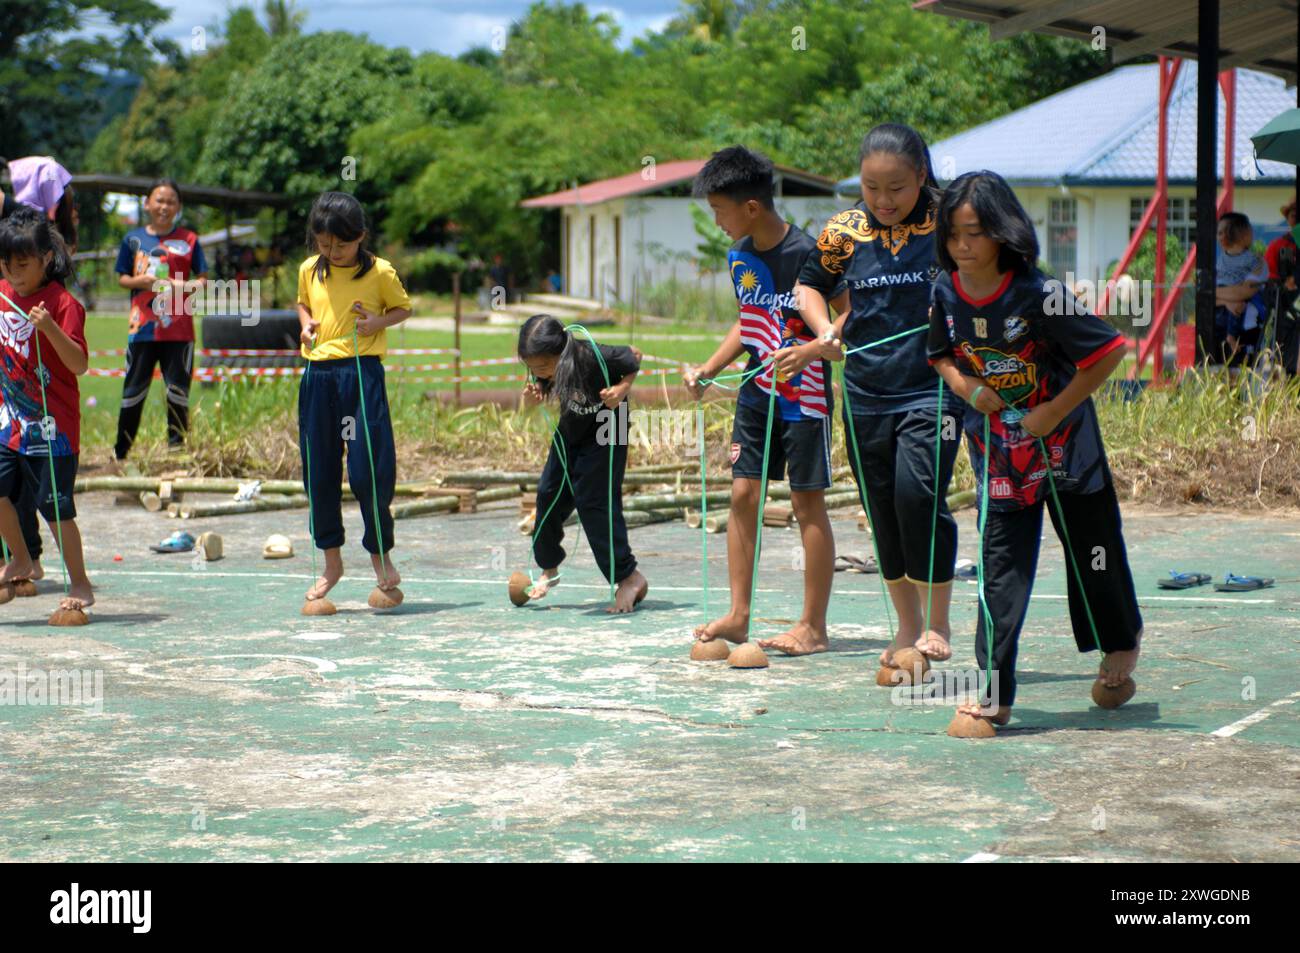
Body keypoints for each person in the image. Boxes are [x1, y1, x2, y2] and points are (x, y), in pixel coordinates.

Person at [927, 170, 1142, 732]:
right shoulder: (945, 291)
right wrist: (968, 388)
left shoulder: (1040, 294)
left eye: (973, 233)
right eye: (952, 235)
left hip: (1067, 448)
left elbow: (1108, 353)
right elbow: (943, 356)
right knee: (999, 570)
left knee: (1093, 555)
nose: (962, 247)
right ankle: (995, 691)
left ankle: (1120, 644)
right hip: (1000, 454)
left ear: (1003, 232)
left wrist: (1053, 411)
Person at [795, 123, 962, 666]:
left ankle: (938, 621)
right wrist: (824, 332)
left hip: (934, 389)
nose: (883, 200)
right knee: (882, 508)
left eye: (896, 187)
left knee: (918, 494)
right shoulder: (845, 230)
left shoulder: (950, 220)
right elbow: (808, 287)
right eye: (871, 188)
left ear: (921, 176)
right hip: (866, 390)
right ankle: (906, 624)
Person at [685, 145, 843, 655]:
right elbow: (748, 319)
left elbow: (846, 314)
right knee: (742, 495)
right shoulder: (739, 256)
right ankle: (738, 615)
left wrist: (814, 349)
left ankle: (813, 627)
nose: (717, 223)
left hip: (807, 396)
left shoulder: (810, 254)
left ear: (751, 207)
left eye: (719, 212)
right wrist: (710, 368)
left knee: (805, 501)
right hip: (756, 392)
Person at [298, 192, 409, 606]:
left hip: (362, 375)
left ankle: (380, 557)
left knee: (369, 471)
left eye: (341, 245)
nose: (332, 252)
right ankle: (331, 562)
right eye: (324, 244)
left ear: (360, 236)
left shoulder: (381, 272)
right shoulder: (310, 269)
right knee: (319, 473)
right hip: (317, 378)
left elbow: (402, 309)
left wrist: (379, 322)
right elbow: (303, 305)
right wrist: (306, 325)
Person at [518, 314, 648, 613]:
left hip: (608, 426)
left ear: (561, 353)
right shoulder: (546, 369)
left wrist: (623, 388)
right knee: (548, 493)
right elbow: (538, 388)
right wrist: (537, 390)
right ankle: (549, 567)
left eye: (541, 367)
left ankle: (629, 577)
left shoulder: (592, 355)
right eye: (532, 368)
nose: (538, 373)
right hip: (573, 428)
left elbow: (635, 356)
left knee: (594, 501)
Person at [0, 207, 94, 613]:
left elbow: (79, 364)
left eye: (23, 265)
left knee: (55, 509)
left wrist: (50, 329)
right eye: (6, 265)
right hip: (8, 422)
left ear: (46, 260)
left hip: (51, 428)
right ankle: (19, 557)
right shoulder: (2, 295)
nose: (14, 274)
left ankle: (81, 583)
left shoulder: (62, 304)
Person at [113, 178, 207, 462]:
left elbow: (203, 280)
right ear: (147, 204)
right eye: (159, 200)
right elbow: (122, 279)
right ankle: (121, 454)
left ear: (178, 206)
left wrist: (184, 287)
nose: (164, 206)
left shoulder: (190, 239)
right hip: (141, 329)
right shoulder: (133, 239)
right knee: (133, 391)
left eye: (170, 201)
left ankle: (176, 454)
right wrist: (139, 280)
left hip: (179, 331)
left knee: (178, 393)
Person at [1214, 211, 1268, 366]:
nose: (1221, 237)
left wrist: (1215, 295)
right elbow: (1203, 296)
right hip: (1216, 334)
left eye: (1225, 232)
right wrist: (1227, 302)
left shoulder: (1257, 262)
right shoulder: (1217, 262)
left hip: (1246, 338)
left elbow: (1244, 292)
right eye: (1219, 233)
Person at [1264, 197, 1298, 375]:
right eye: (1294, 216)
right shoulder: (1277, 246)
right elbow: (1270, 280)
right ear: (1288, 218)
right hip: (1285, 310)